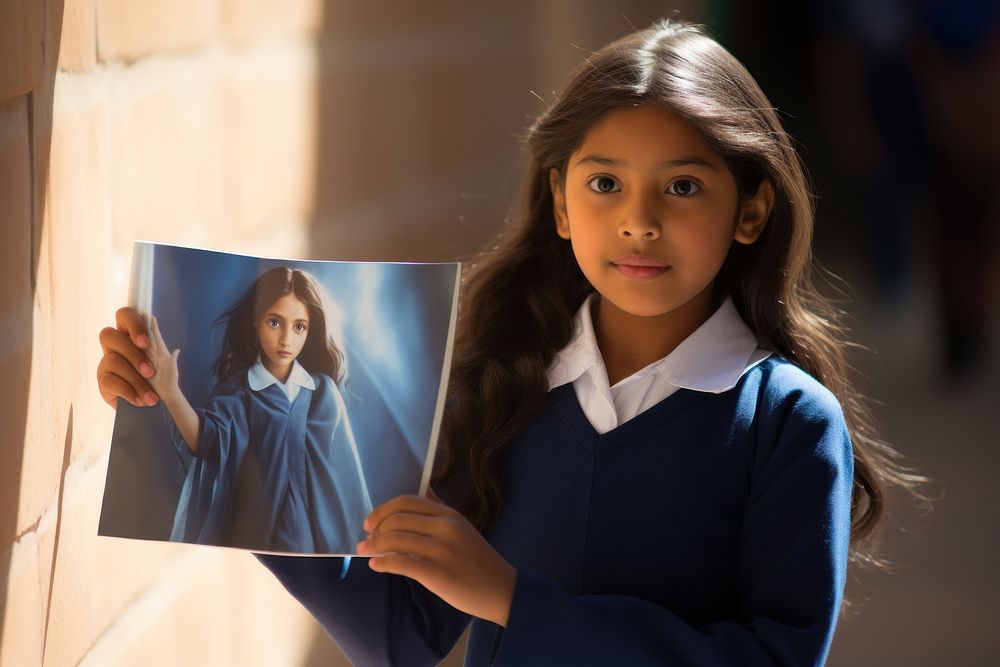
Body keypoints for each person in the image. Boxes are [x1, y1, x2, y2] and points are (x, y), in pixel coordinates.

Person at [97, 19, 923, 666]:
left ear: (751, 211)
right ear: (561, 205)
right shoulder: (500, 388)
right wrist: (170, 412)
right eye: (605, 184)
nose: (639, 218)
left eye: (683, 186)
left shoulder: (788, 422)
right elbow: (400, 631)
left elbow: (771, 658)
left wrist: (515, 601)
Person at [141, 266, 372, 553]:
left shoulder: (322, 392)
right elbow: (208, 440)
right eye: (275, 322)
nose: (287, 339)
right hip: (254, 534)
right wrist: (171, 392)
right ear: (255, 322)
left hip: (309, 542)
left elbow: (343, 481)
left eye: (299, 326)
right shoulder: (239, 393)